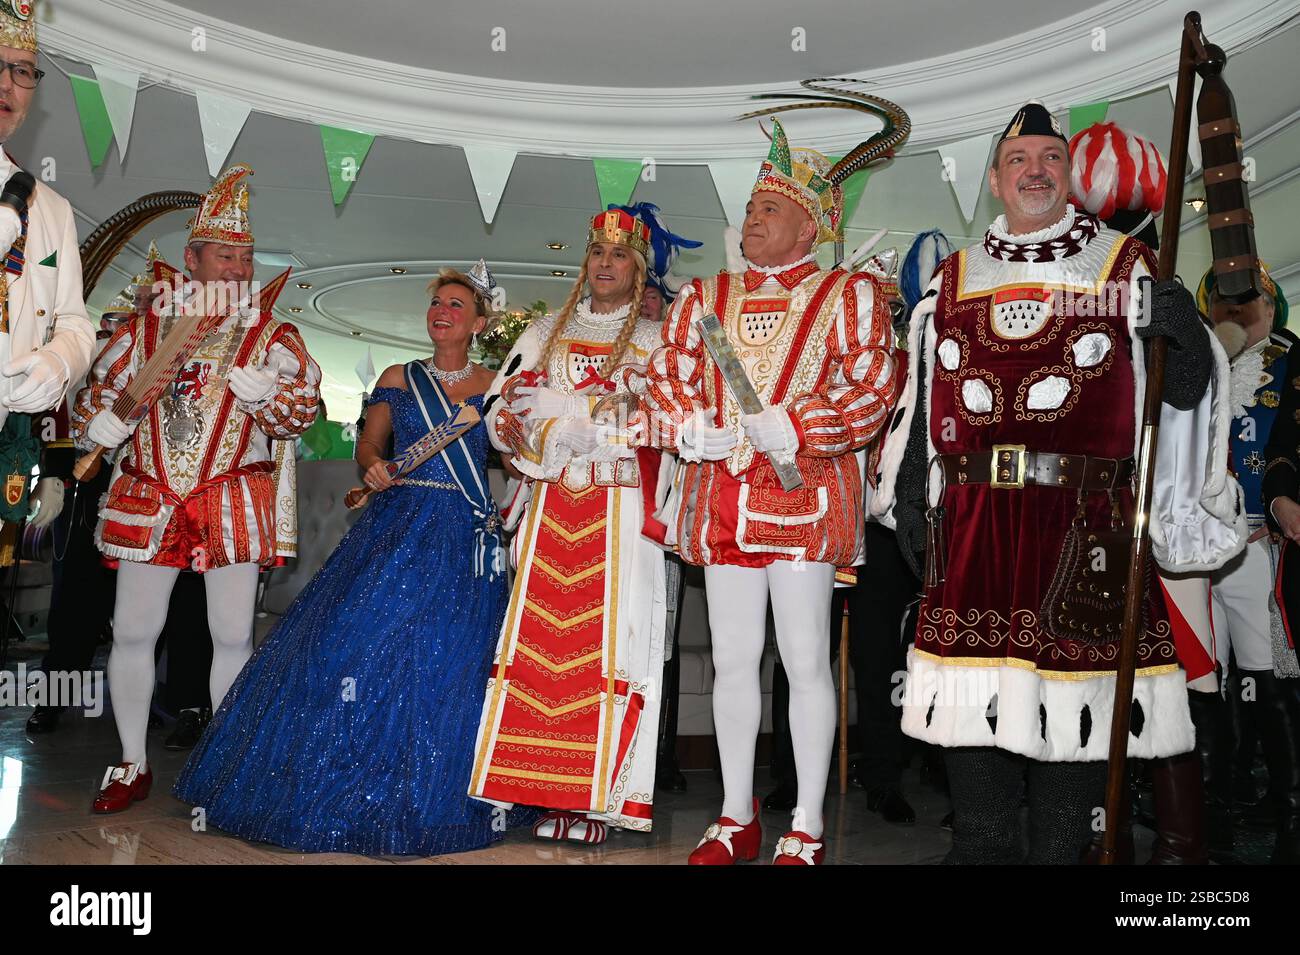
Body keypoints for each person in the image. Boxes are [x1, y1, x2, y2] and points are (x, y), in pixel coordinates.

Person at [871, 102, 1246, 864]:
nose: (1035, 170)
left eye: (1050, 157)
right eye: (1018, 159)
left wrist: (1183, 338)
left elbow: (1181, 400)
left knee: (1066, 801)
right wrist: (912, 496)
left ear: (1069, 173)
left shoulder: (1125, 268)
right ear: (996, 179)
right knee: (976, 783)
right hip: (973, 534)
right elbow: (923, 400)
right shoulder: (953, 278)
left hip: (1087, 538)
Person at [175, 263, 518, 855]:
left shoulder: (499, 385)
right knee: (347, 644)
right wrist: (374, 465)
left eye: (456, 305)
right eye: (436, 302)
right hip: (398, 523)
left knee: (455, 658)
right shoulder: (399, 376)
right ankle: (319, 783)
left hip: (465, 532)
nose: (442, 311)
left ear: (479, 323)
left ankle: (448, 794)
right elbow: (369, 443)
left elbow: (513, 461)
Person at [645, 115, 898, 865]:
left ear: (811, 225)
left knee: (805, 659)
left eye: (769, 208)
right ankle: (734, 815)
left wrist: (803, 425)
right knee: (732, 658)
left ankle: (809, 823)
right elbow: (665, 380)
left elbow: (876, 384)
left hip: (806, 499)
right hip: (723, 500)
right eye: (751, 206)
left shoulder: (849, 294)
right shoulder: (704, 297)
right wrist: (688, 429)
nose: (752, 218)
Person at [72, 163, 321, 813]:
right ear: (192, 257)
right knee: (130, 630)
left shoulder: (272, 334)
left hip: (231, 496)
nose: (238, 267)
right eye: (224, 254)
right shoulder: (143, 325)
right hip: (148, 493)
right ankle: (130, 762)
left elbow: (304, 411)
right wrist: (95, 418)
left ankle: (226, 764)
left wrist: (273, 398)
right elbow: (94, 394)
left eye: (245, 256)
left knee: (234, 635)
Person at [469, 207, 667, 845]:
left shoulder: (657, 339)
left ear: (638, 267)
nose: (605, 263)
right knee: (542, 653)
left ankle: (601, 797)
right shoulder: (545, 329)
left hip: (619, 508)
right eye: (597, 252)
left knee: (613, 647)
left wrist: (587, 419)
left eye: (619, 254)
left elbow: (663, 419)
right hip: (550, 504)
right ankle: (543, 791)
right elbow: (499, 412)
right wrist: (544, 427)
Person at [1216, 262, 1300, 865]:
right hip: (1196, 546)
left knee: (1271, 679)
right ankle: (1222, 795)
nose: (1239, 314)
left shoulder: (1292, 364)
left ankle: (1289, 804)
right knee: (1209, 681)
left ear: (1271, 309)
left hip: (1258, 540)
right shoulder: (1202, 366)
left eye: (1250, 305)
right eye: (1227, 305)